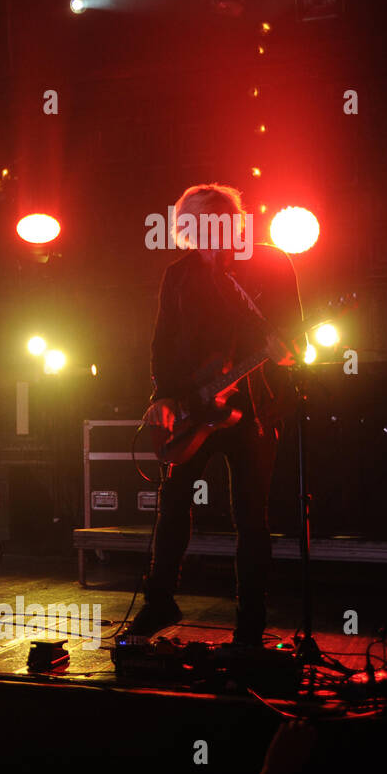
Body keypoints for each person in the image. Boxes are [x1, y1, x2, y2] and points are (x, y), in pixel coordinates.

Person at [128, 184, 304, 646]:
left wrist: (286, 350)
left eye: (220, 222)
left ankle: (251, 619)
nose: (210, 233)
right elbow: (163, 342)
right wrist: (164, 397)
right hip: (193, 407)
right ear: (187, 228)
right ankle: (159, 600)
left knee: (250, 516)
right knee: (172, 508)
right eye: (198, 224)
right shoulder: (179, 274)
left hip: (254, 405)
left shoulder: (269, 263)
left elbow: (293, 336)